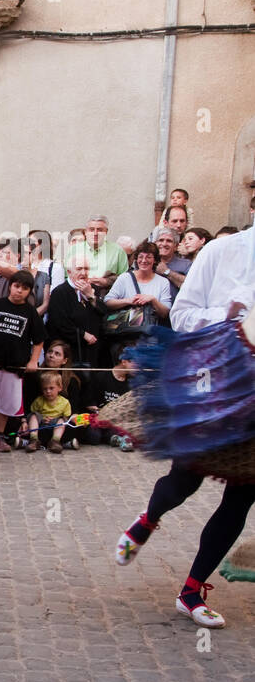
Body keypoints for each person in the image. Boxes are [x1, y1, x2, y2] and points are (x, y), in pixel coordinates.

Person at [111, 227, 255, 628]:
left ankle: (191, 591)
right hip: (215, 386)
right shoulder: (224, 250)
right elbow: (182, 314)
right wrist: (229, 318)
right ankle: (148, 518)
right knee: (185, 479)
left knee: (243, 495)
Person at [0, 270, 45, 453]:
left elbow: (39, 339)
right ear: (10, 286)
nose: (19, 291)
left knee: (5, 404)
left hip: (14, 367)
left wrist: (34, 360)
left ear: (29, 292)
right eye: (16, 286)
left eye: (24, 288)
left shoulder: (30, 312)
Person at [104, 240, 170, 349]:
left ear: (155, 260)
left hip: (149, 336)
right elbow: (108, 302)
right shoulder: (125, 278)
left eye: (148, 257)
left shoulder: (163, 282)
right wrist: (128, 300)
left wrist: (153, 300)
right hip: (125, 335)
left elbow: (165, 312)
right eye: (140, 257)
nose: (144, 260)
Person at [44, 255, 103, 367]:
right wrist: (83, 334)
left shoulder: (94, 289)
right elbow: (59, 322)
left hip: (92, 350)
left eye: (86, 269)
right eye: (79, 269)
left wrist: (91, 296)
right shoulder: (60, 292)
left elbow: (103, 313)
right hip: (68, 350)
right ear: (69, 271)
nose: (84, 273)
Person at [71, 215, 128, 292]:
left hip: (107, 295)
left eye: (100, 230)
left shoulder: (118, 251)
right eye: (91, 229)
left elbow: (125, 278)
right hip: (78, 294)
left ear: (106, 232)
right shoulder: (74, 250)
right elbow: (66, 276)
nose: (95, 233)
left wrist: (107, 281)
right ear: (85, 232)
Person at [22, 371, 71, 454]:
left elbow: (67, 417)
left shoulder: (65, 402)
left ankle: (55, 441)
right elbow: (32, 414)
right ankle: (34, 440)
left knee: (62, 420)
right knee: (33, 416)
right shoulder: (39, 401)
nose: (48, 391)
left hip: (55, 426)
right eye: (45, 389)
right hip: (41, 425)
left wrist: (55, 419)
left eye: (51, 388)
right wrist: (40, 419)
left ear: (60, 388)